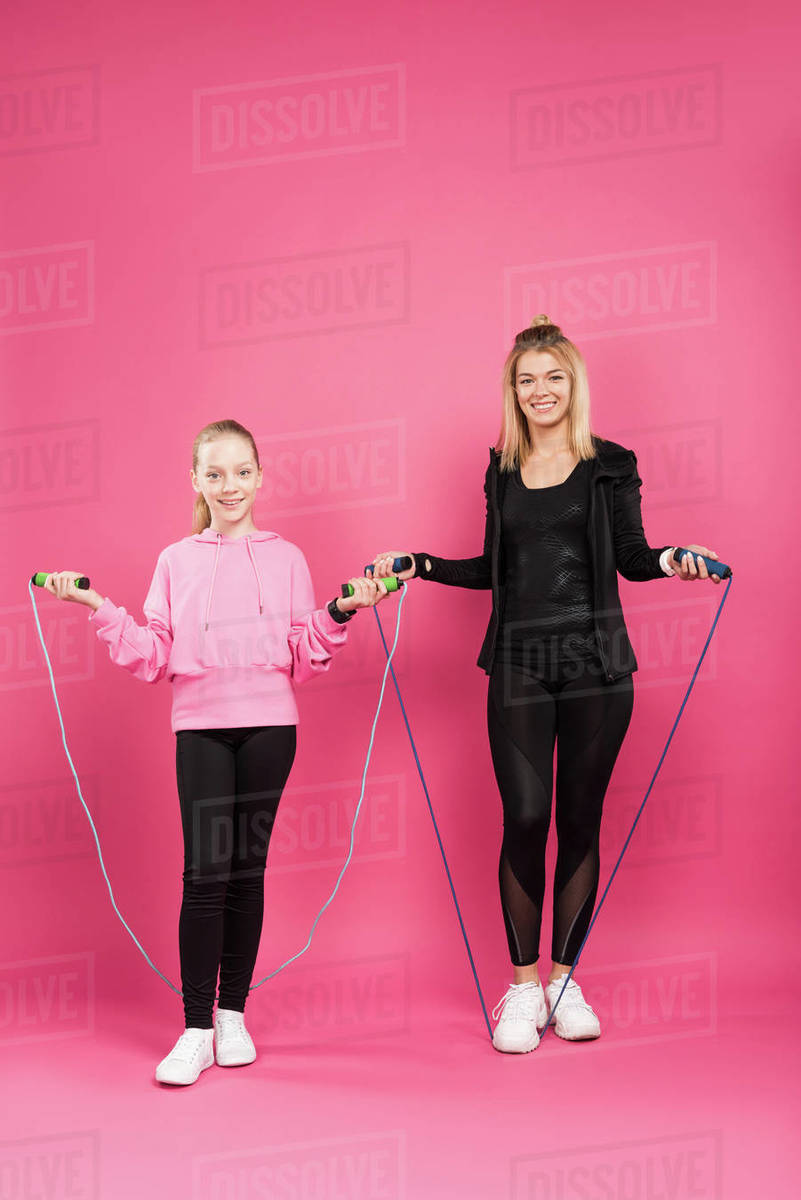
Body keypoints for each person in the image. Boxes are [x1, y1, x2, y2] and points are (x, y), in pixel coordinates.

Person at [369, 315, 722, 1054]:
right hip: (518, 663)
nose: (540, 391)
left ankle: (564, 982)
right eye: (526, 380)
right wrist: (419, 564)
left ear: (573, 385)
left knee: (580, 823)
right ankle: (522, 990)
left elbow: (630, 555)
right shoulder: (500, 469)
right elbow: (492, 569)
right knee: (526, 818)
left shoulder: (609, 463)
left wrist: (672, 561)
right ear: (513, 390)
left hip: (596, 664)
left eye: (552, 377)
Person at [43, 418, 389, 1085]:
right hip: (200, 729)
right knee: (205, 875)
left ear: (259, 476)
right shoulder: (176, 560)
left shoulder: (286, 558)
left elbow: (303, 651)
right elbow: (154, 656)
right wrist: (96, 606)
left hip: (270, 728)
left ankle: (233, 1014)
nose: (228, 485)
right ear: (196, 480)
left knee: (247, 872)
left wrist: (343, 610)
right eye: (214, 473)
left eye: (239, 472)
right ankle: (196, 1028)